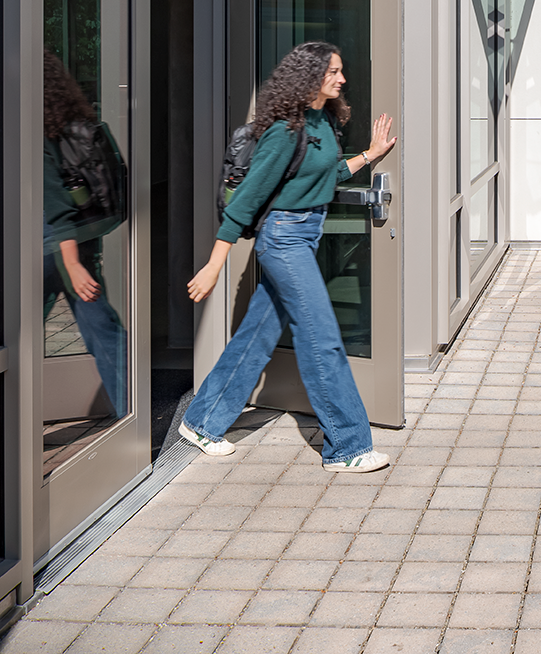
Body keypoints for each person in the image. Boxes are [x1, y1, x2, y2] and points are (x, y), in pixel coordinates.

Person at [179, 40, 397, 471]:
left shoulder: (321, 121)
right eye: (334, 71)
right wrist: (213, 265)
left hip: (304, 236)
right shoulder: (284, 131)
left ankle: (202, 420)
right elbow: (246, 201)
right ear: (310, 76)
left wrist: (370, 155)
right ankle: (348, 448)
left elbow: (325, 175)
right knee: (322, 340)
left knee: (258, 335)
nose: (342, 78)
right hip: (284, 238)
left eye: (340, 70)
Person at [42, 52, 128, 421]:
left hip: (52, 246)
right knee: (102, 331)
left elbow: (54, 202)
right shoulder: (70, 120)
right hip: (77, 240)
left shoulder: (36, 131)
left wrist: (72, 264)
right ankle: (130, 413)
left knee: (9, 341)